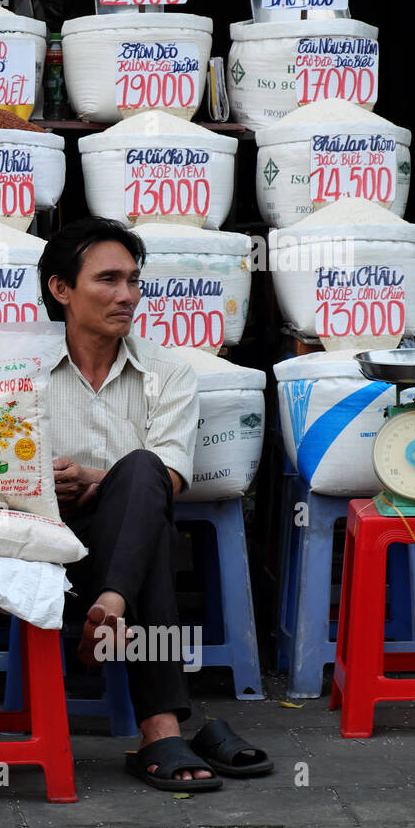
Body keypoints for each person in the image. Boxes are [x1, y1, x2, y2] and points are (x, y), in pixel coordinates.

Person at [38, 217, 271, 791]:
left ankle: (113, 611)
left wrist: (100, 475)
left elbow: (166, 476)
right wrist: (46, 480)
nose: (127, 296)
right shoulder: (19, 372)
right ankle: (160, 728)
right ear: (60, 289)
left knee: (142, 473)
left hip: (123, 547)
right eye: (109, 279)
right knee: (146, 528)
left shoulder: (167, 373)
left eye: (134, 280)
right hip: (44, 547)